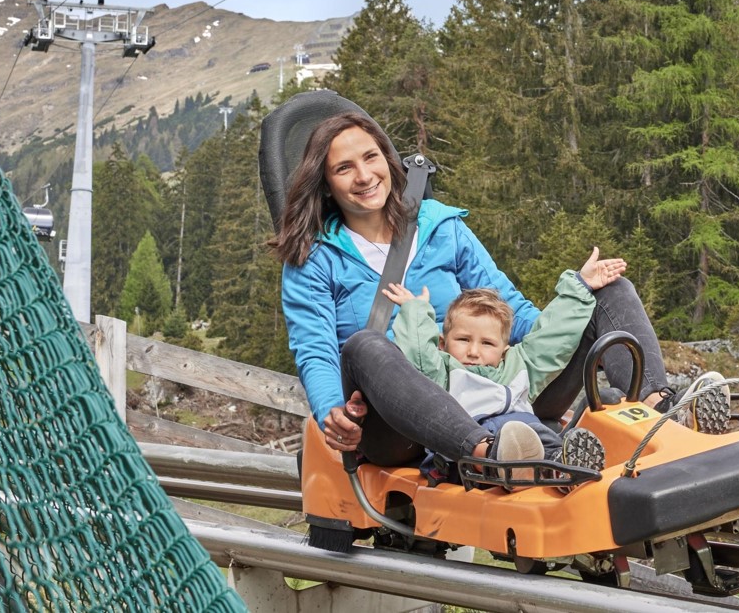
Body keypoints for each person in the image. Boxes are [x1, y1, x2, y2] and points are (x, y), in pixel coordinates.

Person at [274, 111, 683, 477]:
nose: (363, 176)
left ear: (388, 161)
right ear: (326, 184)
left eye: (370, 158)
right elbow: (316, 349)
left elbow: (511, 313)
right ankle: (490, 453)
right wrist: (332, 409)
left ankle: (658, 413)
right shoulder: (313, 256)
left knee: (607, 291)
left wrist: (577, 297)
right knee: (365, 345)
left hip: (500, 390)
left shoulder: (441, 227)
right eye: (344, 168)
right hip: (399, 424)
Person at [381, 247, 624, 477]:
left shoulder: (516, 368)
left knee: (539, 433)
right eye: (464, 340)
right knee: (509, 432)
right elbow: (419, 354)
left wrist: (579, 287)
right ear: (443, 344)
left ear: (504, 351)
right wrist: (415, 309)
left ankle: (558, 467)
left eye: (487, 344)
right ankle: (526, 466)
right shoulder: (442, 372)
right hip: (474, 448)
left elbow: (552, 338)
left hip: (529, 435)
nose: (474, 352)